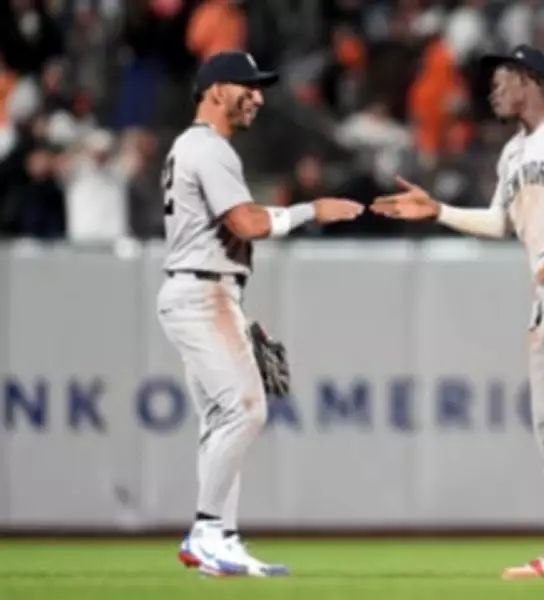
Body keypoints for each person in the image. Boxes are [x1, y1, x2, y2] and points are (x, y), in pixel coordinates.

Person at [371, 45, 544, 578]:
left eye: (501, 79)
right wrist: (440, 212)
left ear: (531, 79)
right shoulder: (512, 155)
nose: (492, 90)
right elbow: (501, 223)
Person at [157, 51, 363, 577]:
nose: (258, 96)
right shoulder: (206, 147)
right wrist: (311, 210)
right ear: (215, 89)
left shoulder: (197, 148)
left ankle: (221, 538)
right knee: (246, 410)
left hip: (207, 289)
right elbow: (246, 223)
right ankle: (206, 532)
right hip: (202, 290)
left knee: (220, 420)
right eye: (247, 86)